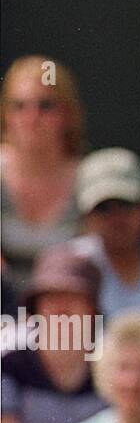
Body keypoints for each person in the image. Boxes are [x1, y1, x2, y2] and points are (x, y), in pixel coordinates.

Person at [1, 247, 107, 423]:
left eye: (73, 297)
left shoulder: (117, 367)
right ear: (36, 309)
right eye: (51, 298)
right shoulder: (8, 365)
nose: (61, 307)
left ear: (92, 309)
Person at [0, 55, 85, 311]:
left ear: (69, 114)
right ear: (5, 115)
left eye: (45, 106)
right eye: (19, 106)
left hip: (68, 320)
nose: (32, 117)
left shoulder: (89, 179)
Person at [69, 148, 140, 324]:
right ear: (85, 216)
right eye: (103, 208)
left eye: (125, 205)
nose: (116, 218)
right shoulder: (68, 269)